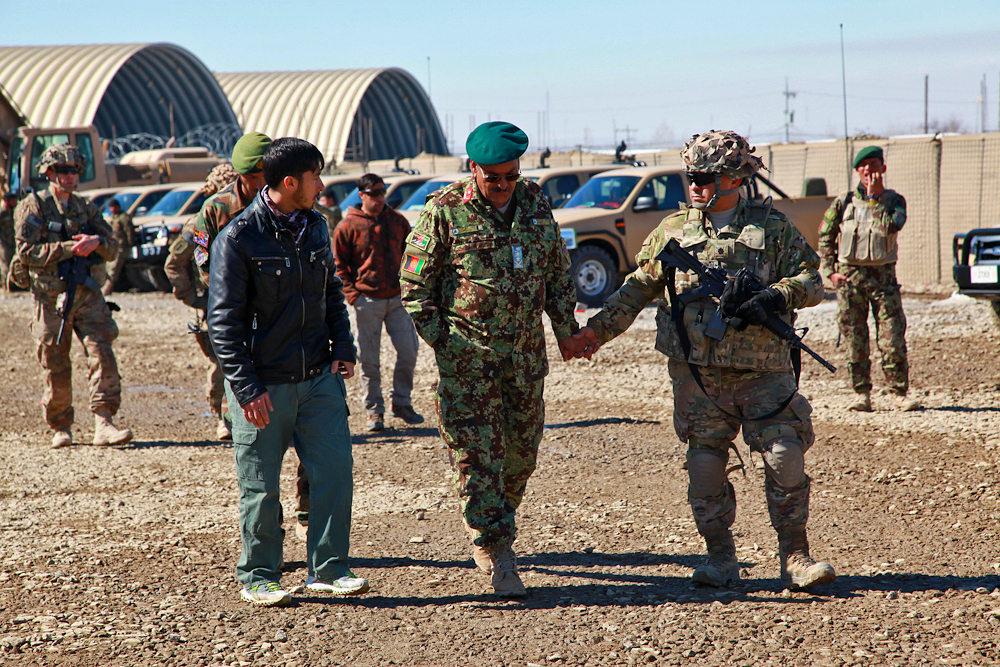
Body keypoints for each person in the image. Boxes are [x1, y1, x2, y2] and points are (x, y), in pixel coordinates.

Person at [574, 130, 836, 591]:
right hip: (699, 377)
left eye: (705, 177)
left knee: (784, 457)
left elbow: (812, 279)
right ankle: (720, 559)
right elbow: (637, 288)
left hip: (764, 371)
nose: (694, 185)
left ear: (733, 178)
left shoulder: (773, 228)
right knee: (704, 468)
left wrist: (776, 296)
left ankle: (796, 556)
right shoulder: (673, 230)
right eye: (690, 176)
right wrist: (595, 332)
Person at [399, 121, 585, 597]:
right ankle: (498, 548)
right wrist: (446, 345)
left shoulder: (535, 202)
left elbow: (556, 272)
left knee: (521, 456)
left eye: (510, 176)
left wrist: (566, 330)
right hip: (468, 366)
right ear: (473, 169)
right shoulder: (445, 210)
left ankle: (492, 520)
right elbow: (415, 288)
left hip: (525, 362)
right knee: (478, 459)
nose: (503, 185)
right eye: (493, 177)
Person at [208, 137, 368, 607]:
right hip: (263, 385)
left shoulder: (316, 226)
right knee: (260, 486)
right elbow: (223, 324)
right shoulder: (237, 238)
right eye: (315, 177)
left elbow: (331, 291)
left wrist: (343, 346)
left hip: (318, 377)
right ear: (291, 182)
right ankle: (260, 575)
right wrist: (246, 387)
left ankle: (329, 568)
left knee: (334, 471)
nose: (322, 185)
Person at [12, 144, 132, 449]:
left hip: (87, 294)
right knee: (55, 363)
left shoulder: (85, 207)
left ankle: (104, 422)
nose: (70, 176)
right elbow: (25, 252)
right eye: (63, 171)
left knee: (102, 352)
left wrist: (96, 242)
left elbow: (113, 246)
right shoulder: (33, 206)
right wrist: (69, 248)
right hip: (50, 298)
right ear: (49, 173)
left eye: (74, 171)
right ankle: (61, 425)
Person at [818, 146, 919, 412]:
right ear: (857, 171)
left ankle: (898, 393)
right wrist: (830, 272)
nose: (868, 170)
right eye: (863, 166)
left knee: (892, 339)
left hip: (884, 282)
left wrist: (875, 200)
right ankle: (861, 394)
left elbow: (890, 227)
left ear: (882, 168)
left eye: (873, 165)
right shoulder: (844, 202)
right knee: (855, 341)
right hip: (850, 282)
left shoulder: (894, 201)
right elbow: (825, 236)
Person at [333, 173, 423, 432]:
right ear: (361, 195)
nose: (379, 197)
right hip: (367, 300)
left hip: (397, 299)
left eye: (382, 191)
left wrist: (411, 287)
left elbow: (413, 255)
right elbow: (339, 266)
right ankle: (374, 411)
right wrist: (353, 296)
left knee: (409, 350)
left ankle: (401, 402)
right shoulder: (347, 226)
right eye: (373, 193)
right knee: (369, 360)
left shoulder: (397, 221)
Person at [164, 162, 240, 441]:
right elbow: (174, 263)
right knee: (221, 363)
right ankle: (223, 418)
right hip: (215, 304)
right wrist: (192, 298)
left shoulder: (250, 215)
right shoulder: (199, 222)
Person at [101, 199, 135, 295]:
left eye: (114, 207)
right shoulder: (113, 218)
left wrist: (130, 245)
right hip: (112, 246)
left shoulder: (123, 217)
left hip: (121, 246)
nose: (112, 209)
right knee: (108, 267)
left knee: (114, 269)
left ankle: (107, 289)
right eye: (110, 207)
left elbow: (129, 231)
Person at [1, 190, 17, 289]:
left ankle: (14, 285)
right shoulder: (2, 213)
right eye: (12, 200)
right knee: (5, 265)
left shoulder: (13, 212)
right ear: (7, 201)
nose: (15, 202)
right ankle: (6, 286)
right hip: (4, 244)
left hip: (13, 243)